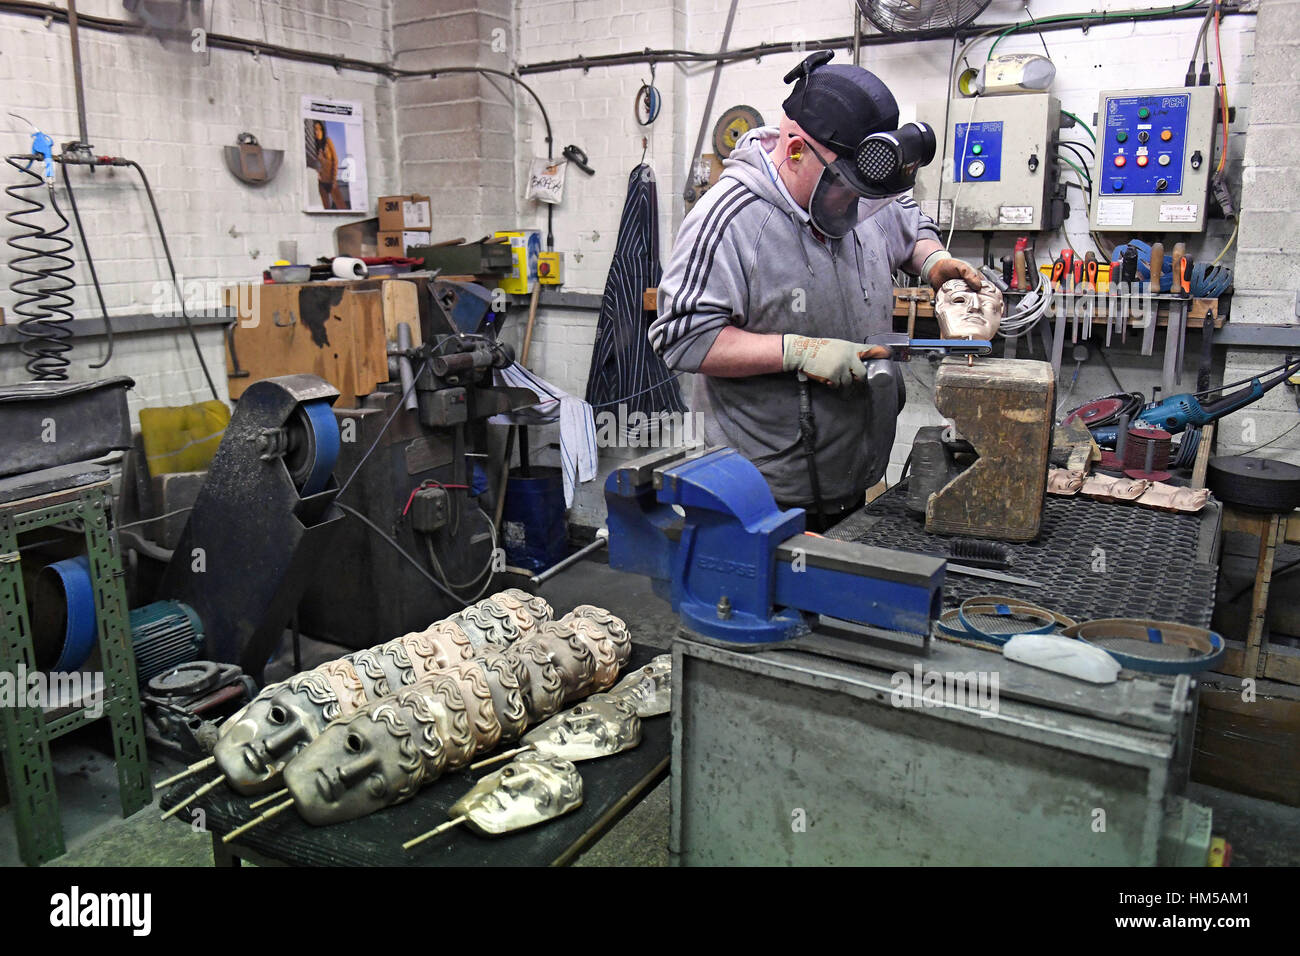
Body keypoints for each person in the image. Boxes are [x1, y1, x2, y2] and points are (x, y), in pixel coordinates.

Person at [650, 52, 983, 531]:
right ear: (795, 150)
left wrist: (934, 260)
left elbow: (906, 222)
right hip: (759, 498)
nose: (855, 205)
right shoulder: (729, 217)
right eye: (844, 190)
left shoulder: (860, 188)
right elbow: (682, 338)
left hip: (848, 480)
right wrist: (797, 351)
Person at [311, 120, 347, 210]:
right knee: (326, 209)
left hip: (331, 181)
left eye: (319, 129)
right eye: (315, 129)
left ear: (323, 131)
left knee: (342, 207)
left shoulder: (328, 141)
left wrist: (334, 180)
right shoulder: (314, 146)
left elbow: (335, 160)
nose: (317, 132)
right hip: (321, 183)